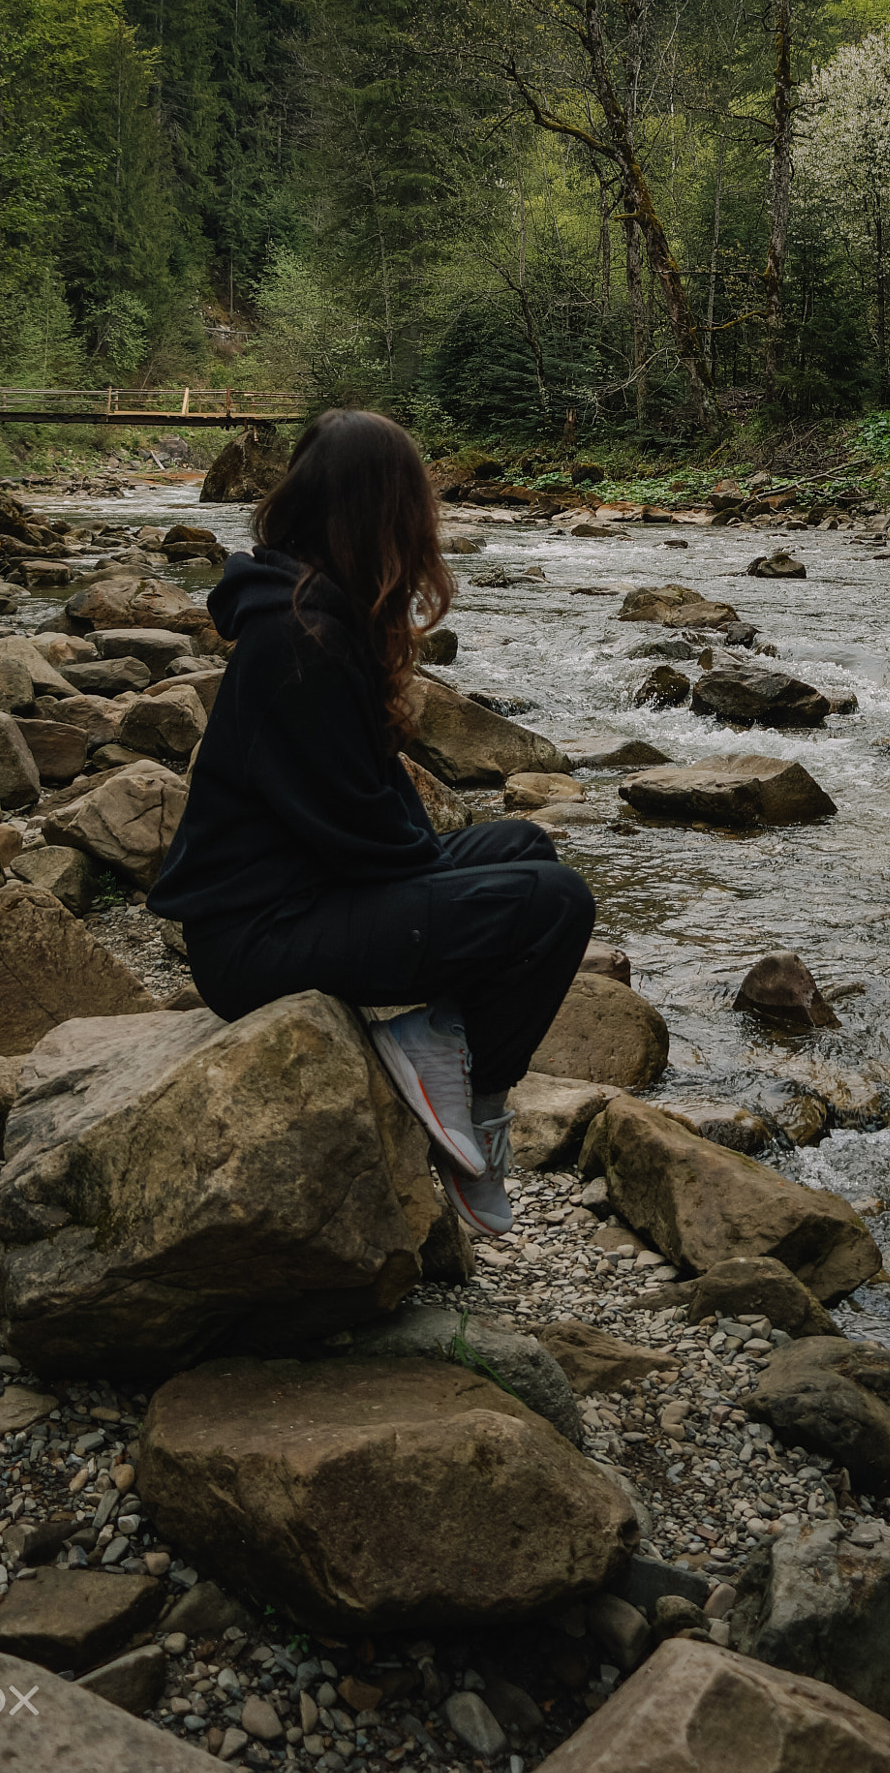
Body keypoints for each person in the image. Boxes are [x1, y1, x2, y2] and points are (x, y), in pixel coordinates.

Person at [147, 408, 595, 1236]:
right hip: (257, 939)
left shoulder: (318, 609)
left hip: (298, 894)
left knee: (522, 845)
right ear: (381, 511)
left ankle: (441, 1038)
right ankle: (475, 1098)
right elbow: (354, 832)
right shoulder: (297, 638)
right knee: (551, 903)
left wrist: (458, 873)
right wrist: (461, 888)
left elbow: (367, 811)